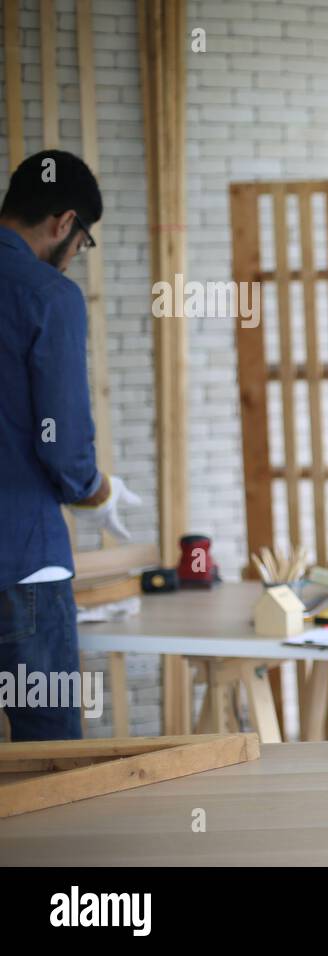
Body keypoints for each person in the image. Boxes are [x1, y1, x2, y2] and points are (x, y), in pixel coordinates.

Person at [0, 149, 139, 741]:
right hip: (22, 564)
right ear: (64, 223)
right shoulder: (49, 297)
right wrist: (97, 492)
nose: (76, 255)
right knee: (48, 751)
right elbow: (64, 449)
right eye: (83, 242)